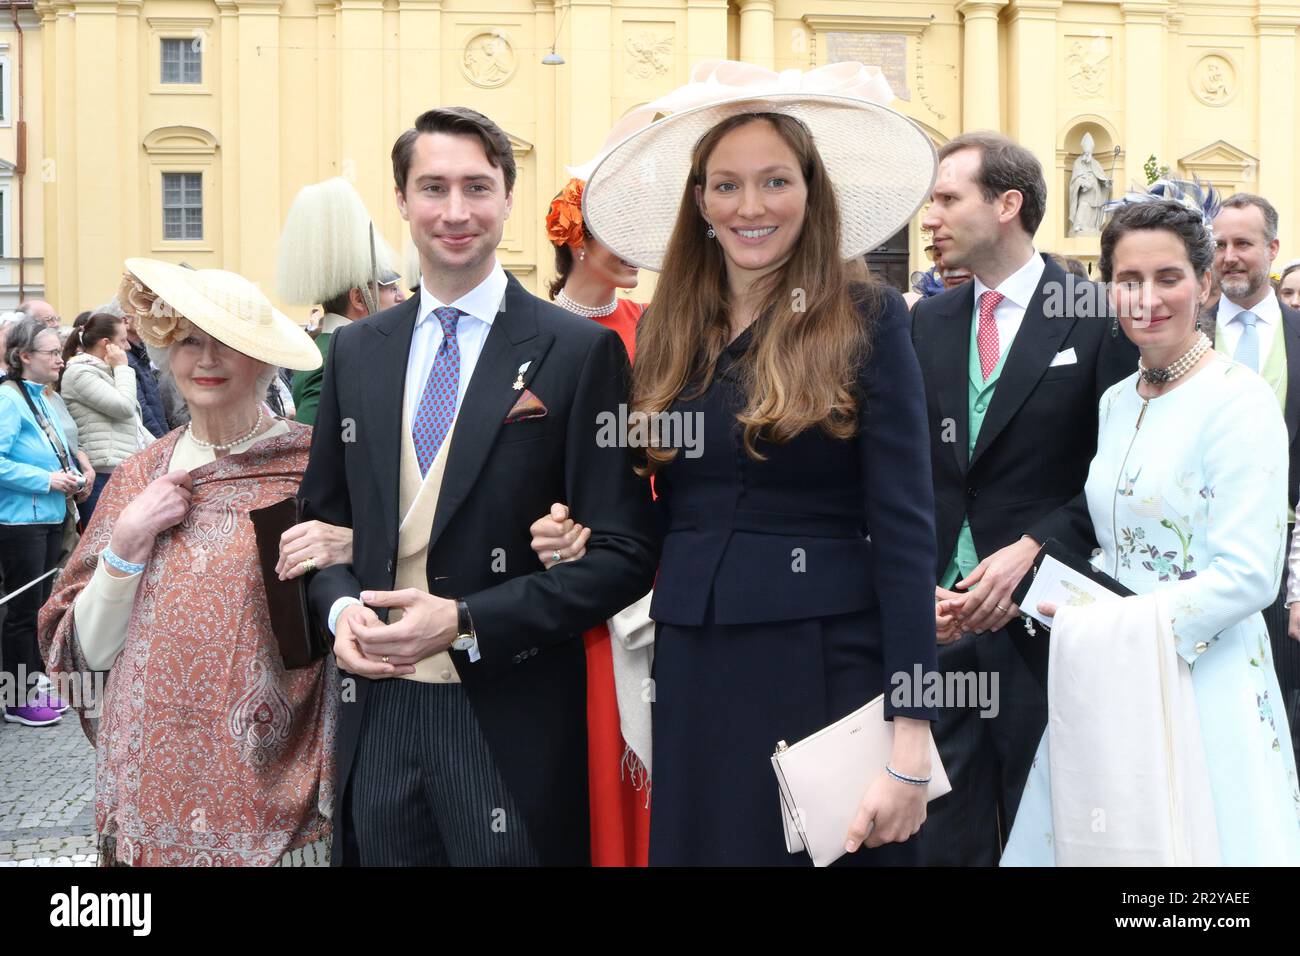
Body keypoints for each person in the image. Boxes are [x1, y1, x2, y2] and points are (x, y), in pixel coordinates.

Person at [580, 62, 941, 866]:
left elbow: (910, 532)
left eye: (775, 181)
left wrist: (913, 733)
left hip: (826, 663)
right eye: (727, 184)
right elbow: (664, 514)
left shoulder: (867, 317)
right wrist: (579, 534)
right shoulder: (673, 326)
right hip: (695, 663)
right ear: (700, 201)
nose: (751, 206)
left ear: (811, 194)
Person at [297, 106, 659, 866]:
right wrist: (338, 618)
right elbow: (320, 529)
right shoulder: (358, 351)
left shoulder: (576, 352)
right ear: (401, 200)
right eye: (433, 188)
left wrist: (465, 619)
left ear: (507, 199)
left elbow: (626, 553)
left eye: (476, 187)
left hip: (512, 719)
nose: (455, 212)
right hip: (378, 720)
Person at [1003, 183, 1300, 865]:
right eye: (1127, 280)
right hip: (1111, 672)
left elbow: (1250, 576)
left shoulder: (1240, 401)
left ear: (1202, 285)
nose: (1146, 298)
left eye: (1167, 277)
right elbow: (1112, 542)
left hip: (1207, 678)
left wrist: (1110, 629)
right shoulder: (1113, 401)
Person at [37, 258, 339, 866]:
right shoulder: (138, 477)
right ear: (167, 356)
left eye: (227, 344)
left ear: (262, 359)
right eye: (190, 342)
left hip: (271, 777)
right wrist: (125, 545)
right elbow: (86, 653)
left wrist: (350, 544)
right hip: (149, 784)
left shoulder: (312, 468)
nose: (206, 360)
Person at [912, 131, 1136, 866]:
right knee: (941, 832)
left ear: (1008, 204)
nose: (929, 217)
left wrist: (1032, 549)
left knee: (1050, 830)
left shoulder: (1097, 314)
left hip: (1048, 624)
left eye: (948, 198)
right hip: (942, 628)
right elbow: (914, 471)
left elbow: (1119, 472)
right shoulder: (927, 321)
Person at [543, 175, 652, 866]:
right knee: (594, 736)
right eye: (623, 229)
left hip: (656, 556)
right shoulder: (537, 335)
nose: (641, 245)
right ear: (578, 240)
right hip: (575, 569)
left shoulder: (653, 324)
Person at [1209, 193, 1300, 771]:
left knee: (1279, 724)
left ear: (1271, 249)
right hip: (1193, 562)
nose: (1229, 257)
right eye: (1218, 245)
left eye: (1243, 244)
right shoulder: (1176, 332)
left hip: (1279, 572)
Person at [1, 317, 87, 726]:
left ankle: (32, 684)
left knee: (39, 609)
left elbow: (51, 448)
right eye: (53, 352)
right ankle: (16, 698)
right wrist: (48, 479)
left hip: (50, 513)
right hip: (20, 521)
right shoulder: (8, 398)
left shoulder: (40, 395)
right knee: (22, 612)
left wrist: (71, 473)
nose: (61, 359)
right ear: (24, 357)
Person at [277, 177, 407, 426]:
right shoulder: (337, 357)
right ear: (359, 298)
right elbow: (309, 447)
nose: (401, 296)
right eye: (390, 289)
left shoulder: (335, 348)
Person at [59, 313, 144, 528]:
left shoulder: (105, 371)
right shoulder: (80, 373)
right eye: (122, 340)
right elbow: (124, 408)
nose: (126, 347)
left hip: (119, 469)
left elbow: (133, 421)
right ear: (106, 344)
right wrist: (123, 368)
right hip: (100, 473)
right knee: (101, 547)